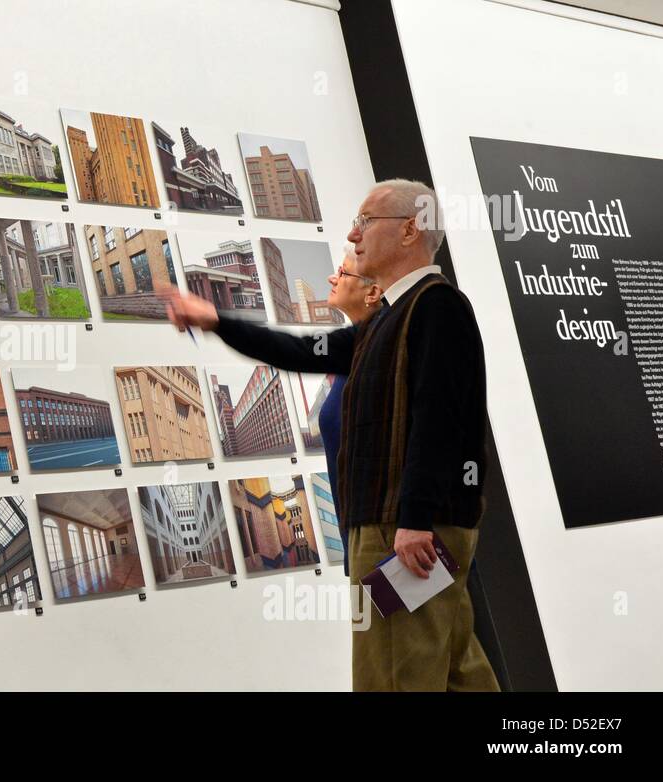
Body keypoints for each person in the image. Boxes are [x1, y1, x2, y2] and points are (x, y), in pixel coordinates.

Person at [159, 179, 499, 692]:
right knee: (455, 669)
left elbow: (441, 421)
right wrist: (216, 321)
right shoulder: (383, 322)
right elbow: (299, 351)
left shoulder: (436, 306)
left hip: (401, 534)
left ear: (409, 230)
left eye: (365, 221)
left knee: (391, 677)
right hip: (399, 530)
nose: (352, 234)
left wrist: (413, 520)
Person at [320, 246, 383, 577]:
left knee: (408, 629)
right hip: (366, 550)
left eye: (343, 273)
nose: (333, 277)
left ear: (372, 292)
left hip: (399, 552)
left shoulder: (386, 354)